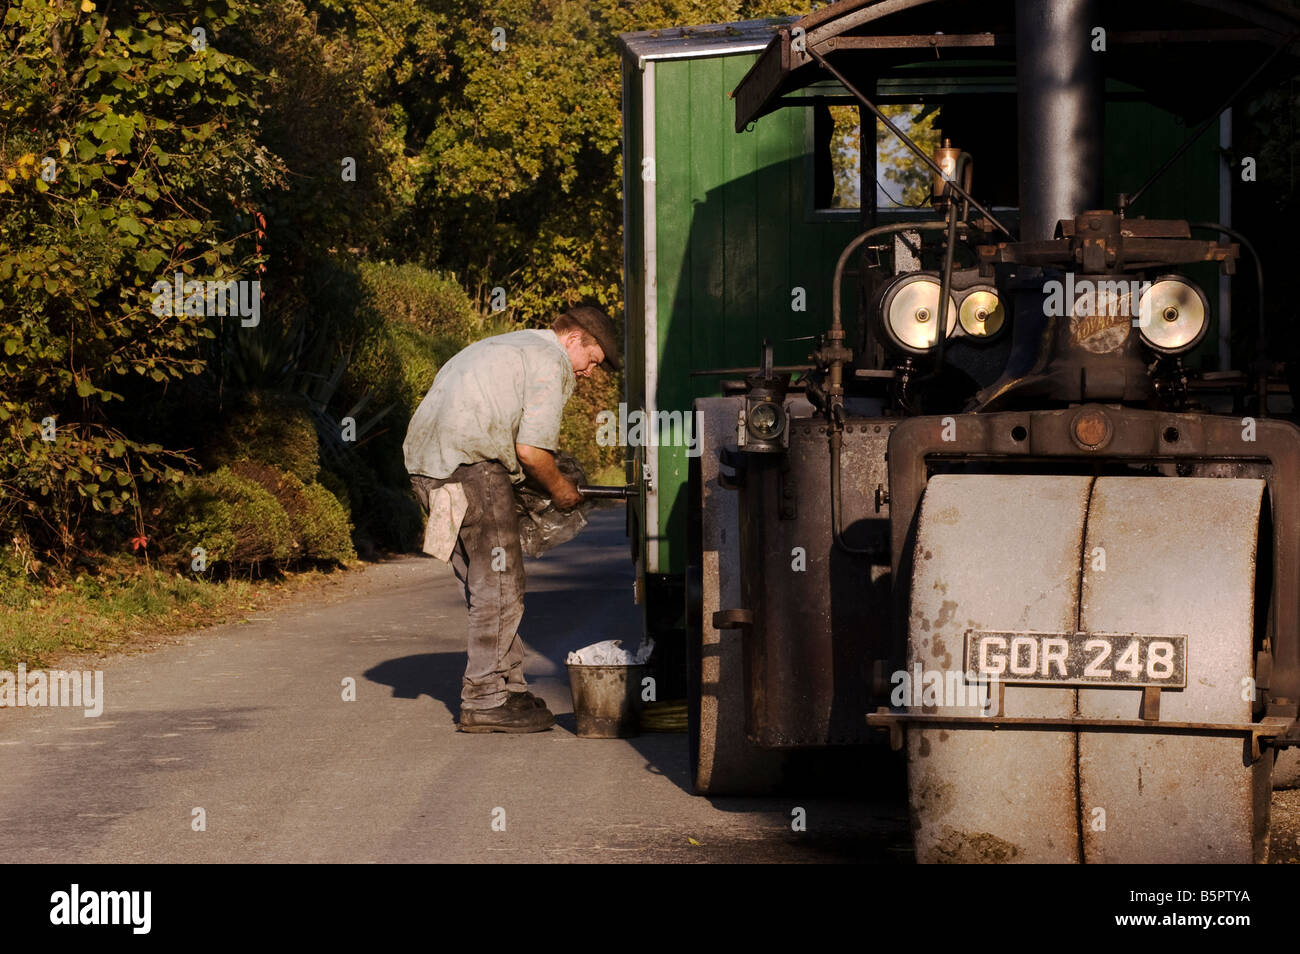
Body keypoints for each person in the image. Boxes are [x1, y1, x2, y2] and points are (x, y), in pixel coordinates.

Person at [403, 304, 621, 733]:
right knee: (500, 584)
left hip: (427, 471)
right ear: (574, 340)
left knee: (484, 584)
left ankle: (508, 684)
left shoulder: (509, 343)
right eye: (592, 361)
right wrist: (561, 491)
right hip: (472, 467)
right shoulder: (552, 361)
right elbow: (532, 452)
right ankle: (485, 698)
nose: (589, 373)